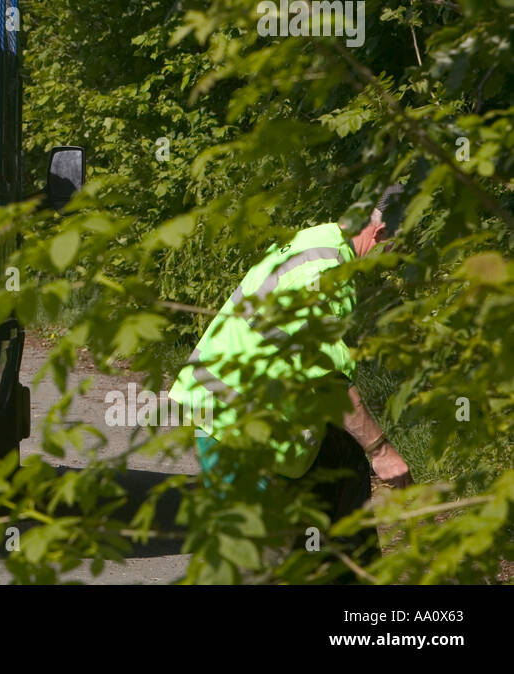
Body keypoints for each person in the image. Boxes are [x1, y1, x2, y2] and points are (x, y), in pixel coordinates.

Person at [168, 184, 412, 569]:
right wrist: (381, 452)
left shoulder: (318, 242)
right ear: (379, 233)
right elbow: (329, 379)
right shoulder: (325, 272)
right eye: (397, 248)